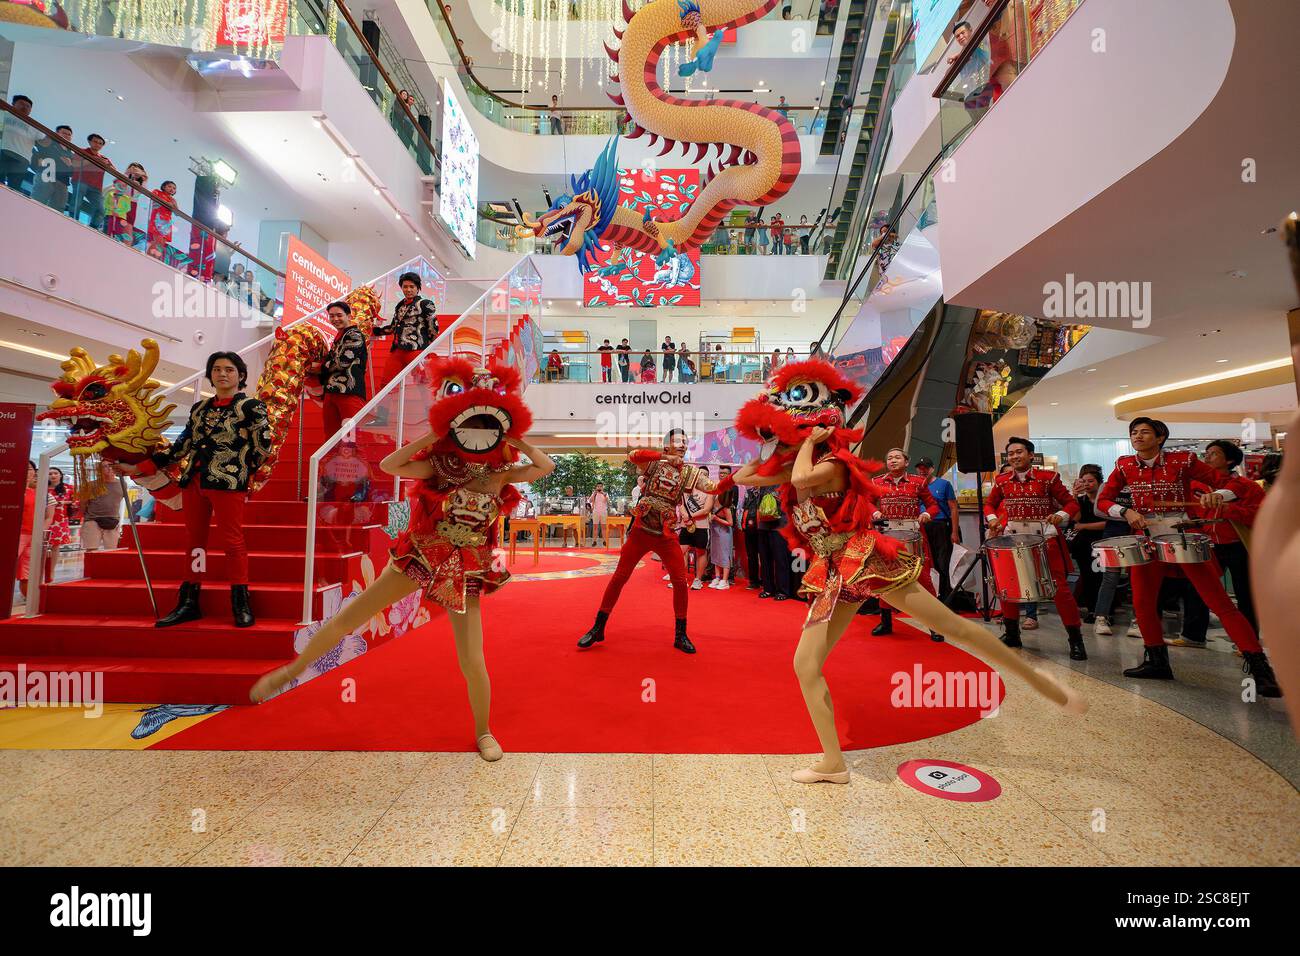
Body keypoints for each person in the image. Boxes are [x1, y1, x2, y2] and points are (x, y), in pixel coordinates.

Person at [732, 360, 1086, 783]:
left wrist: (810, 442)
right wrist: (776, 446)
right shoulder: (794, 467)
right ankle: (833, 763)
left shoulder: (837, 465)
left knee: (952, 625)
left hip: (865, 559)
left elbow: (807, 476)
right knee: (805, 666)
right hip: (832, 571)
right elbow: (742, 475)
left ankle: (1043, 683)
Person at [250, 359, 554, 762]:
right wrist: (432, 434)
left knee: (472, 656)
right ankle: (292, 670)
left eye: (487, 426)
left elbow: (545, 467)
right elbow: (389, 465)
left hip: (466, 567)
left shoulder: (500, 473)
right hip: (422, 555)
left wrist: (516, 439)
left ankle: (483, 731)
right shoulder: (439, 463)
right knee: (350, 615)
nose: (478, 433)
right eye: (471, 425)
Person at [1097, 417, 1279, 695]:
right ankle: (1156, 661)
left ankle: (1259, 667)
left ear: (1160, 438)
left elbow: (1237, 486)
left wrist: (1218, 495)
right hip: (1146, 538)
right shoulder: (1123, 464)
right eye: (1134, 432)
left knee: (1219, 602)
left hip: (1181, 535)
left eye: (1145, 432)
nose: (1138, 436)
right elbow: (1103, 501)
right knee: (1143, 602)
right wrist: (1126, 512)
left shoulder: (1183, 460)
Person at [115, 352, 271, 628]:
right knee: (194, 543)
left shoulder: (251, 407)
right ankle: (190, 600)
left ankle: (240, 599)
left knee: (232, 542)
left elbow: (263, 447)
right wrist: (139, 468)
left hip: (228, 482)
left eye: (229, 370)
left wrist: (243, 472)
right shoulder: (199, 409)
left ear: (241, 375)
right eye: (217, 369)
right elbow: (182, 446)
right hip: (194, 481)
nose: (223, 374)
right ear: (210, 375)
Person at [576, 428, 735, 654]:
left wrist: (737, 477)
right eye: (676, 441)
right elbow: (633, 455)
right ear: (667, 445)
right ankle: (598, 627)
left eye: (684, 442)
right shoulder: (654, 463)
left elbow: (715, 487)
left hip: (667, 535)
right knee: (619, 577)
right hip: (641, 531)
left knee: (680, 582)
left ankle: (681, 634)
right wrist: (663, 457)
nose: (681, 445)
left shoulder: (689, 473)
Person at [984, 438, 1088, 660]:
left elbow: (1071, 504)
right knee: (1009, 585)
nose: (1014, 457)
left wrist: (1059, 516)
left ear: (1031, 455)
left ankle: (1075, 640)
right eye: (1010, 454)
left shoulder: (1048, 477)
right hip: (1012, 540)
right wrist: (993, 519)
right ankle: (1012, 634)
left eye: (1018, 452)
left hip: (1044, 540)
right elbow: (989, 504)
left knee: (1059, 588)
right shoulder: (1002, 480)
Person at [1174, 440, 1263, 648]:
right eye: (1206, 453)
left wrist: (1228, 510)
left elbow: (1260, 515)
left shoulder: (1246, 486)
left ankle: (1247, 642)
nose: (1207, 457)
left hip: (1237, 544)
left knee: (1245, 593)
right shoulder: (1195, 486)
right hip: (1206, 544)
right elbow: (1192, 512)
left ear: (1230, 460)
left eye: (1214, 453)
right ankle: (1193, 636)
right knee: (1197, 588)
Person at [872, 448, 941, 636]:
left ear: (906, 462)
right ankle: (885, 622)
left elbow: (933, 505)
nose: (893, 460)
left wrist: (926, 514)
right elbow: (866, 502)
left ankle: (934, 625)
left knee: (924, 578)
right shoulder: (876, 482)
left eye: (897, 457)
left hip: (914, 535)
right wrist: (874, 512)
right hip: (888, 536)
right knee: (886, 578)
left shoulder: (919, 482)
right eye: (889, 458)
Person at [373, 271, 438, 390]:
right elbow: (392, 328)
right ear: (401, 288)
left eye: (412, 286)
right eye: (405, 286)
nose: (408, 290)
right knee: (386, 383)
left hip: (416, 350)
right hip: (397, 350)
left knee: (422, 384)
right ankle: (383, 409)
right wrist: (375, 331)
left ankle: (428, 408)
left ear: (418, 288)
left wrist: (427, 349)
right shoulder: (399, 306)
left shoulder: (425, 304)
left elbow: (433, 329)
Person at [317, 301, 369, 439]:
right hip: (331, 392)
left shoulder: (355, 335)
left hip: (350, 392)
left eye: (339, 315)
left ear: (349, 316)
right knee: (331, 440)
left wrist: (321, 367)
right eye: (331, 316)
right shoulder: (339, 337)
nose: (335, 319)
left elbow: (342, 363)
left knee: (351, 441)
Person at [915, 456, 961, 600]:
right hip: (922, 527)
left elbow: (953, 508)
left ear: (932, 469)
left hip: (941, 527)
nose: (923, 471)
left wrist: (954, 532)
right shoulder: (915, 485)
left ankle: (946, 598)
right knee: (926, 562)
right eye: (920, 468)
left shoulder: (944, 484)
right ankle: (929, 596)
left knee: (943, 563)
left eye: (926, 468)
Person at [1068, 465, 1108, 620]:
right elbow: (1075, 518)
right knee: (1087, 577)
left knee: (1103, 577)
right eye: (1083, 481)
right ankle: (1092, 610)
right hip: (1083, 545)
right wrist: (1074, 495)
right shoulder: (1080, 500)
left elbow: (1108, 523)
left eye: (1090, 481)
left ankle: (1105, 611)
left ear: (1099, 482)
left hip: (1102, 542)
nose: (1087, 484)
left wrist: (1084, 526)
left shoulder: (1105, 500)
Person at [17, 461, 55, 601]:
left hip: (33, 534)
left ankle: (30, 598)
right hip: (17, 534)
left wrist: (39, 532)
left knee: (27, 569)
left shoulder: (38, 493)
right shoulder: (10, 489)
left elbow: (48, 516)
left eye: (29, 469)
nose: (27, 472)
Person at [675, 479, 714, 590]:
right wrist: (684, 515)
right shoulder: (687, 488)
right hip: (685, 525)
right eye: (700, 474)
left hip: (702, 526)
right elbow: (680, 503)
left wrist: (690, 516)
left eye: (705, 475)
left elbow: (706, 510)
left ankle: (698, 580)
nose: (702, 477)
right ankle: (681, 579)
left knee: (701, 552)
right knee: (680, 551)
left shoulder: (710, 491)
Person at [71, 133, 113, 229]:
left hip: (96, 187)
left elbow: (114, 171)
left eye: (100, 143)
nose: (97, 144)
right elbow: (75, 164)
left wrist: (106, 164)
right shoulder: (81, 151)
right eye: (95, 141)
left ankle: (92, 228)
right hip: (80, 181)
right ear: (89, 141)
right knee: (76, 203)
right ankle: (72, 221)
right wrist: (93, 159)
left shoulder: (104, 159)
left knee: (101, 210)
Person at [80, 462, 125, 551]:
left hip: (113, 520)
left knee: (111, 550)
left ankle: (108, 565)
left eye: (111, 466)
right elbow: (83, 503)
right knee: (91, 549)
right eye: (105, 466)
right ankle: (92, 565)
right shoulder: (90, 485)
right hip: (92, 520)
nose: (109, 468)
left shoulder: (122, 484)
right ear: (99, 470)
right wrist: (85, 517)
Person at [31, 124, 74, 213]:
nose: (67, 136)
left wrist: (70, 165)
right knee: (37, 202)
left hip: (62, 183)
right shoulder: (48, 142)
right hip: (45, 177)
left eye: (69, 134)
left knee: (58, 210)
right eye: (64, 133)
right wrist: (36, 160)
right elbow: (31, 142)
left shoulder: (71, 153)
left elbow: (73, 173)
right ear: (57, 133)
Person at [0, 94, 37, 191]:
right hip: (4, 152)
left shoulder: (34, 126)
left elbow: (45, 142)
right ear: (13, 104)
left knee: (14, 189)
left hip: (22, 159)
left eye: (28, 106)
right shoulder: (5, 115)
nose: (24, 107)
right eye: (21, 103)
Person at [44, 466, 74, 581]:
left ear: (60, 475)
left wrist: (63, 502)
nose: (53, 475)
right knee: (43, 546)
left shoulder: (68, 488)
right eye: (50, 473)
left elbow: (75, 501)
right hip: (44, 518)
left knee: (56, 547)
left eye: (55, 473)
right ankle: (41, 569)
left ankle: (51, 571)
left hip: (60, 520)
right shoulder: (43, 488)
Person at [708, 470, 736, 589]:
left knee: (724, 555)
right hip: (715, 531)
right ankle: (717, 577)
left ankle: (725, 580)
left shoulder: (726, 508)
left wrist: (716, 518)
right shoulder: (714, 501)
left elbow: (730, 523)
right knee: (715, 553)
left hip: (724, 532)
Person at [740, 484, 765, 591]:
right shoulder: (748, 492)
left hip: (762, 527)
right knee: (751, 556)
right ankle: (753, 581)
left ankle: (766, 581)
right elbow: (743, 508)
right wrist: (742, 523)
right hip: (749, 528)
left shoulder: (765, 491)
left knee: (764, 556)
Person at [589, 481, 610, 547]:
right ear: (596, 487)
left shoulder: (605, 494)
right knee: (595, 527)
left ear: (603, 487)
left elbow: (608, 501)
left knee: (604, 527)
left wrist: (603, 494)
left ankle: (605, 541)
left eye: (601, 486)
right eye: (598, 486)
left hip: (603, 512)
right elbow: (590, 501)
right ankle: (594, 541)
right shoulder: (594, 494)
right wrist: (594, 494)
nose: (599, 488)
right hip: (596, 512)